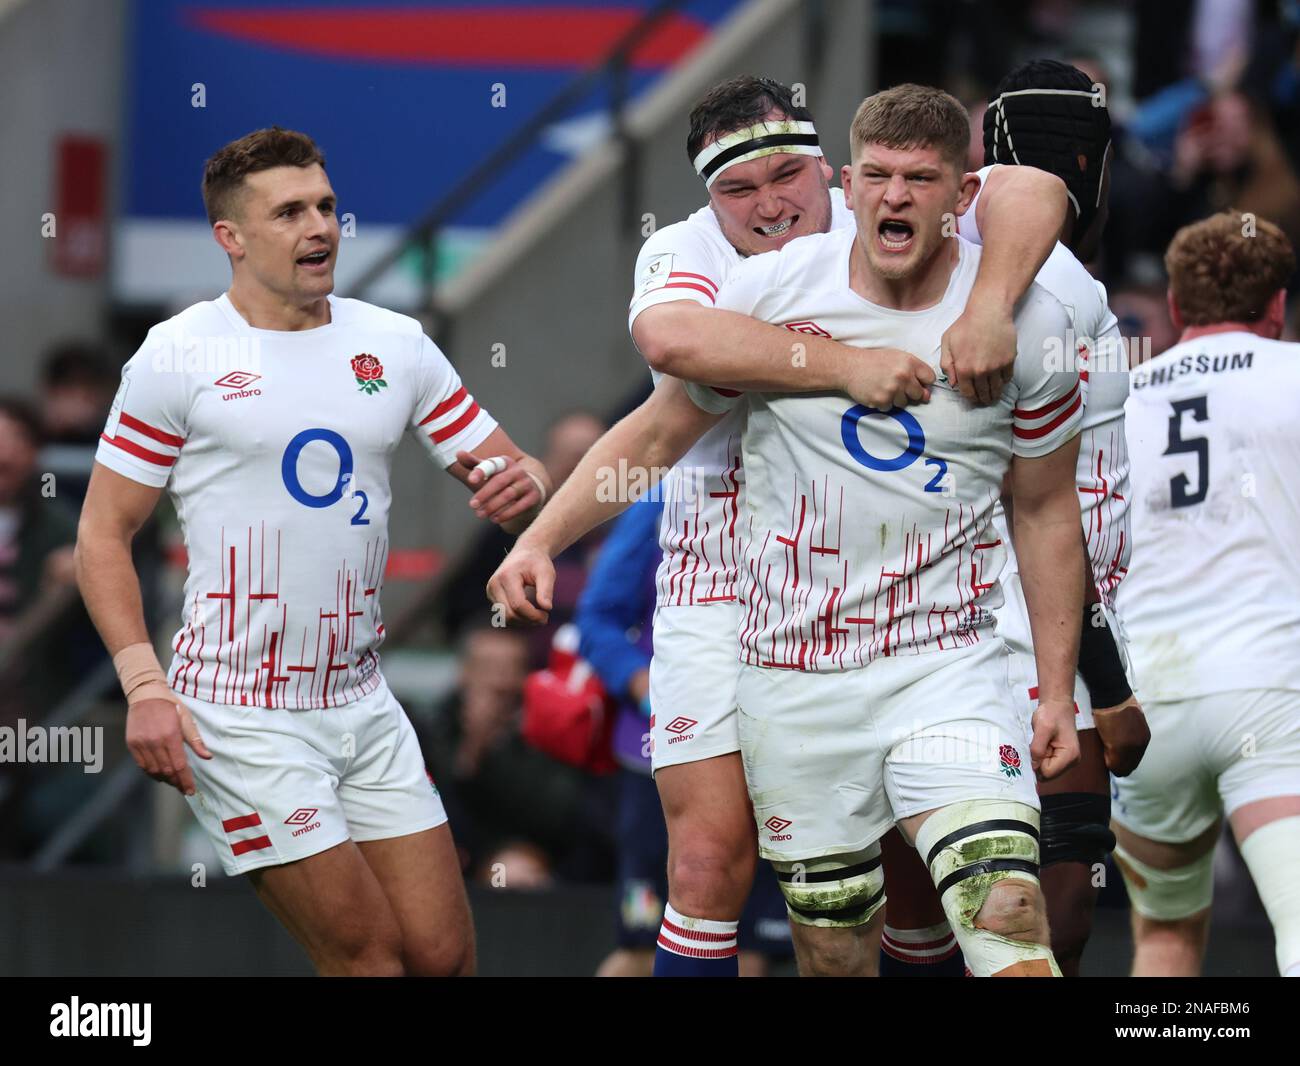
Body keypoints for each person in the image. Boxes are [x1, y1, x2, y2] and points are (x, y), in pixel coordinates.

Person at [490, 83, 1087, 977]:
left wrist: (993, 302)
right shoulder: (731, 277)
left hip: (930, 636)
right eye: (740, 189)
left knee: (983, 898)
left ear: (827, 174)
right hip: (734, 598)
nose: (771, 205)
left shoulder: (959, 246)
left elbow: (1035, 187)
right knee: (715, 871)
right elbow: (669, 360)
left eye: (788, 177)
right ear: (707, 199)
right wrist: (846, 366)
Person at [74, 127, 550, 976]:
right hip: (240, 714)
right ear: (232, 236)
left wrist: (530, 488)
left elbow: (509, 469)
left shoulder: (394, 343)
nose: (320, 227)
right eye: (289, 212)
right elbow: (102, 535)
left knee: (442, 958)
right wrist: (144, 685)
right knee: (367, 957)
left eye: (326, 206)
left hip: (363, 702)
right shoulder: (178, 355)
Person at [880, 57, 1151, 978]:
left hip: (990, 638)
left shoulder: (985, 268)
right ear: (1086, 164)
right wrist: (1106, 687)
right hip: (1012, 647)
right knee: (1043, 921)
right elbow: (1046, 509)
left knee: (970, 924)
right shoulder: (1060, 287)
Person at [1113, 210, 1300, 978]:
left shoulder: (1113, 398)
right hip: (1270, 686)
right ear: (1280, 305)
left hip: (1147, 702)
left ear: (1179, 308)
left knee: (1163, 939)